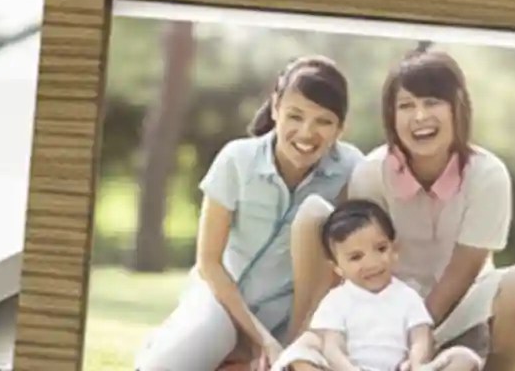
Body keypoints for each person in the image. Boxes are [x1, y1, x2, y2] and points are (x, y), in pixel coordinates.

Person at [288, 43, 515, 371]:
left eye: (432, 102)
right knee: (313, 213)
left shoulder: (488, 175)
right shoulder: (373, 172)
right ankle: (299, 342)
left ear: (458, 108)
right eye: (406, 105)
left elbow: (464, 271)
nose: (420, 116)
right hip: (383, 303)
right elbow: (356, 255)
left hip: (455, 305)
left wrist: (417, 337)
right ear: (391, 117)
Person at [134, 56, 365, 371]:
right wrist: (260, 339)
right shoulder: (237, 159)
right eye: (295, 116)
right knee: (186, 353)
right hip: (219, 301)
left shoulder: (351, 170)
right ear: (275, 109)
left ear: (341, 128)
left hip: (289, 319)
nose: (306, 133)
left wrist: (296, 339)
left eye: (323, 121)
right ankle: (171, 344)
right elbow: (209, 263)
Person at [270, 199, 483, 371]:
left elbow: (420, 336)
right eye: (356, 257)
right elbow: (332, 346)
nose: (371, 263)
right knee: (300, 356)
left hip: (400, 368)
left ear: (395, 249)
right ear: (337, 267)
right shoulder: (337, 300)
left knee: (464, 358)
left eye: (380, 249)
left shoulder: (406, 296)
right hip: (350, 367)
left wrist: (416, 362)